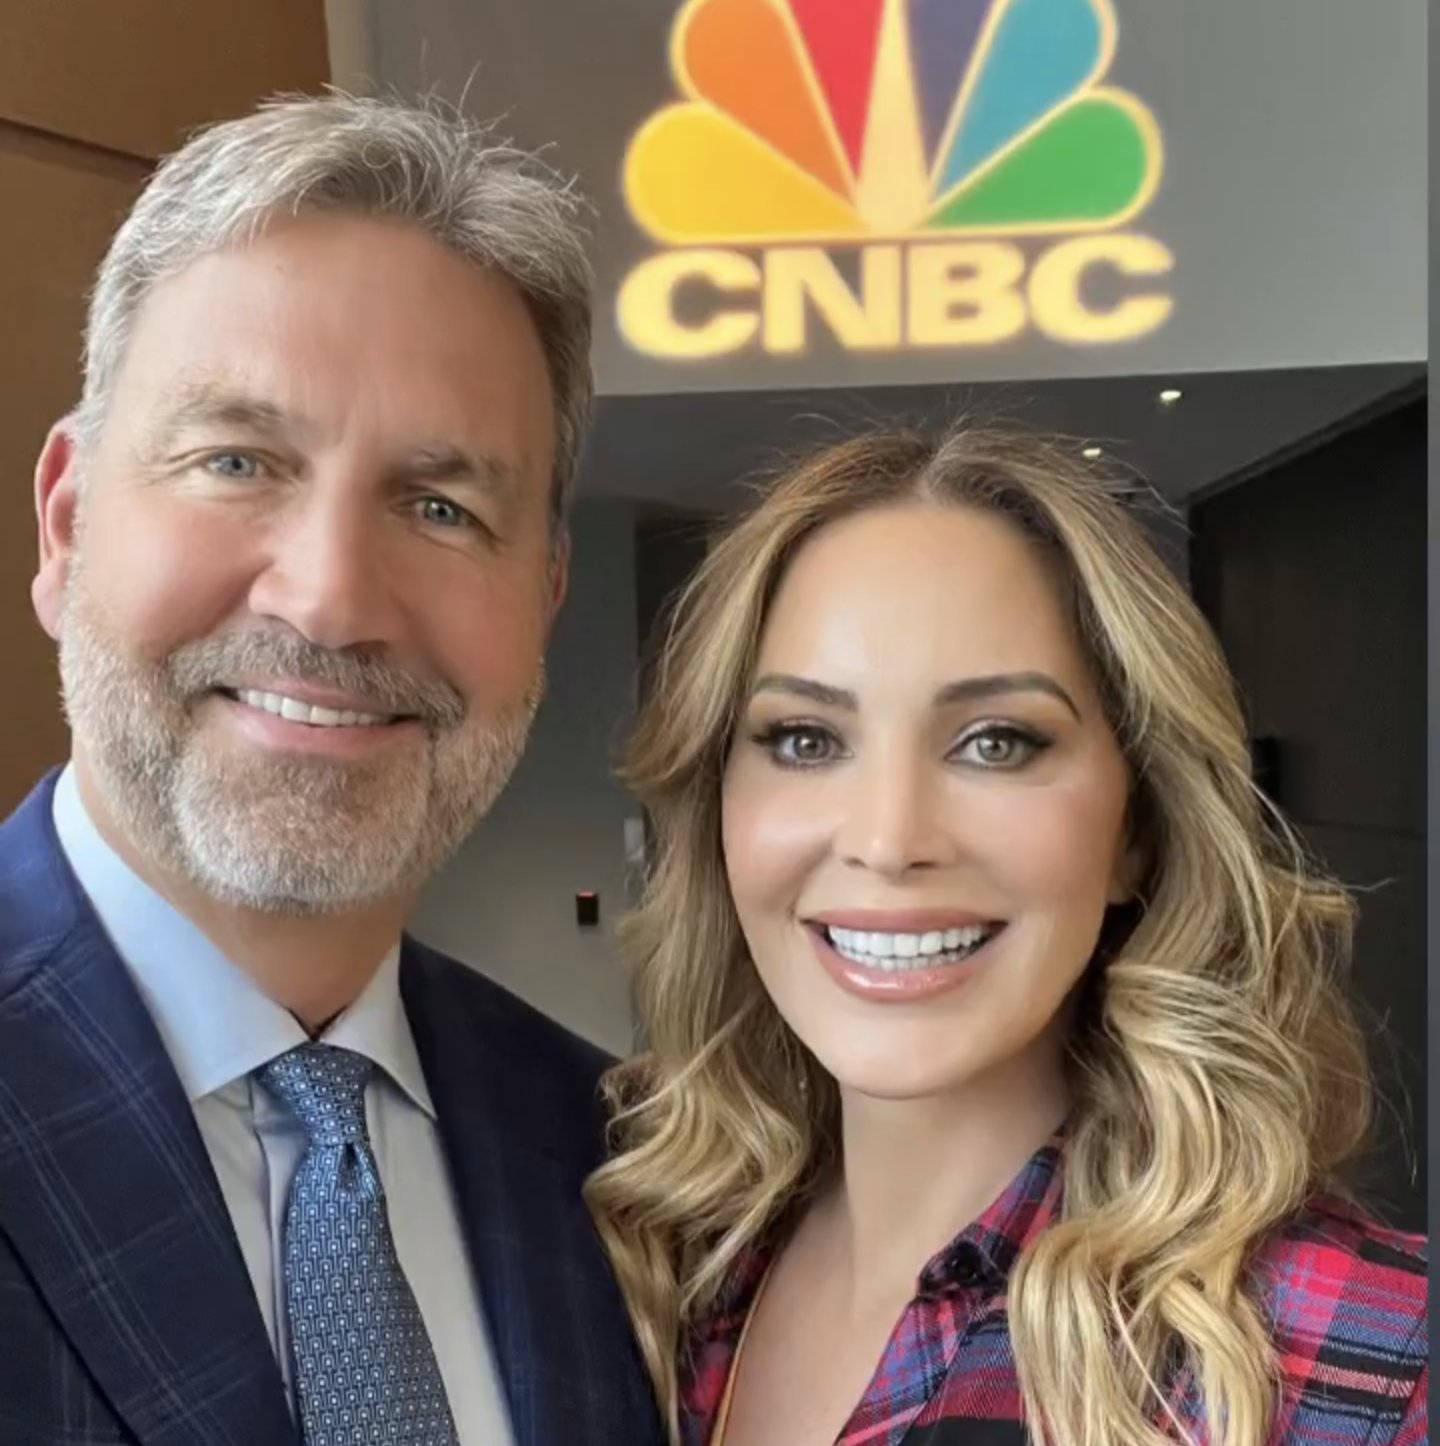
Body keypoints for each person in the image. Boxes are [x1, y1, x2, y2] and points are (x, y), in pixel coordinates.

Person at [0, 92, 661, 1446]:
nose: (331, 600)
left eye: (441, 507)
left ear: (543, 597)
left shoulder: (623, 1162)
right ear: (66, 524)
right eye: (237, 460)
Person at [586, 426, 1428, 1446]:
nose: (889, 840)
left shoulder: (1364, 1363)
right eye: (805, 740)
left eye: (996, 742)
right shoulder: (651, 1267)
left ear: (1135, 831)